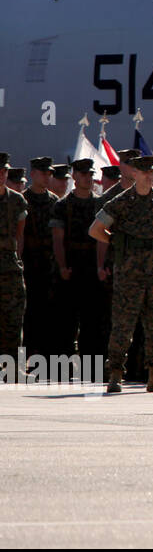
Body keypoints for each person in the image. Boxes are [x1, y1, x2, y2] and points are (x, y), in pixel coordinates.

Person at [88, 156, 153, 394]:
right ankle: (115, 375)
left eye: (152, 173)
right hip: (129, 271)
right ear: (135, 174)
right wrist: (117, 243)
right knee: (123, 322)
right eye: (145, 173)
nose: (150, 176)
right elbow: (95, 229)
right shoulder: (121, 201)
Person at [50, 158, 108, 378]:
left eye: (90, 174)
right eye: (83, 174)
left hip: (92, 267)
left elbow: (103, 238)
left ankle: (93, 370)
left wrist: (101, 266)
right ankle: (61, 370)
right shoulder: (63, 206)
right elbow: (58, 239)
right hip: (71, 267)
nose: (88, 178)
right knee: (66, 320)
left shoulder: (100, 203)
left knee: (94, 320)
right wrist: (63, 266)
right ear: (74, 176)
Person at [22, 157, 56, 378]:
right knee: (28, 314)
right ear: (33, 173)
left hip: (49, 265)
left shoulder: (55, 201)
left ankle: (44, 361)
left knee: (48, 314)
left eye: (49, 173)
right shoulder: (22, 200)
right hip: (28, 263)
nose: (47, 177)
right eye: (43, 173)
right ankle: (27, 359)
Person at [0, 154, 28, 383]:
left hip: (9, 265)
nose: (1, 175)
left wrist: (17, 259)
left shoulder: (17, 200)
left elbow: (20, 235)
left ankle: (13, 367)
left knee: (14, 317)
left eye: (3, 171)